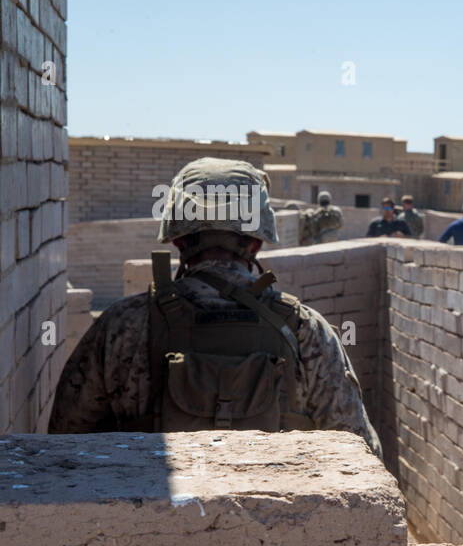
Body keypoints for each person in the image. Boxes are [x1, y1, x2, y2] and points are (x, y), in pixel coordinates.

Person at [50, 157, 383, 458]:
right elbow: (360, 452)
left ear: (178, 240)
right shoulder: (305, 330)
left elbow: (64, 442)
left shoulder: (122, 326)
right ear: (256, 241)